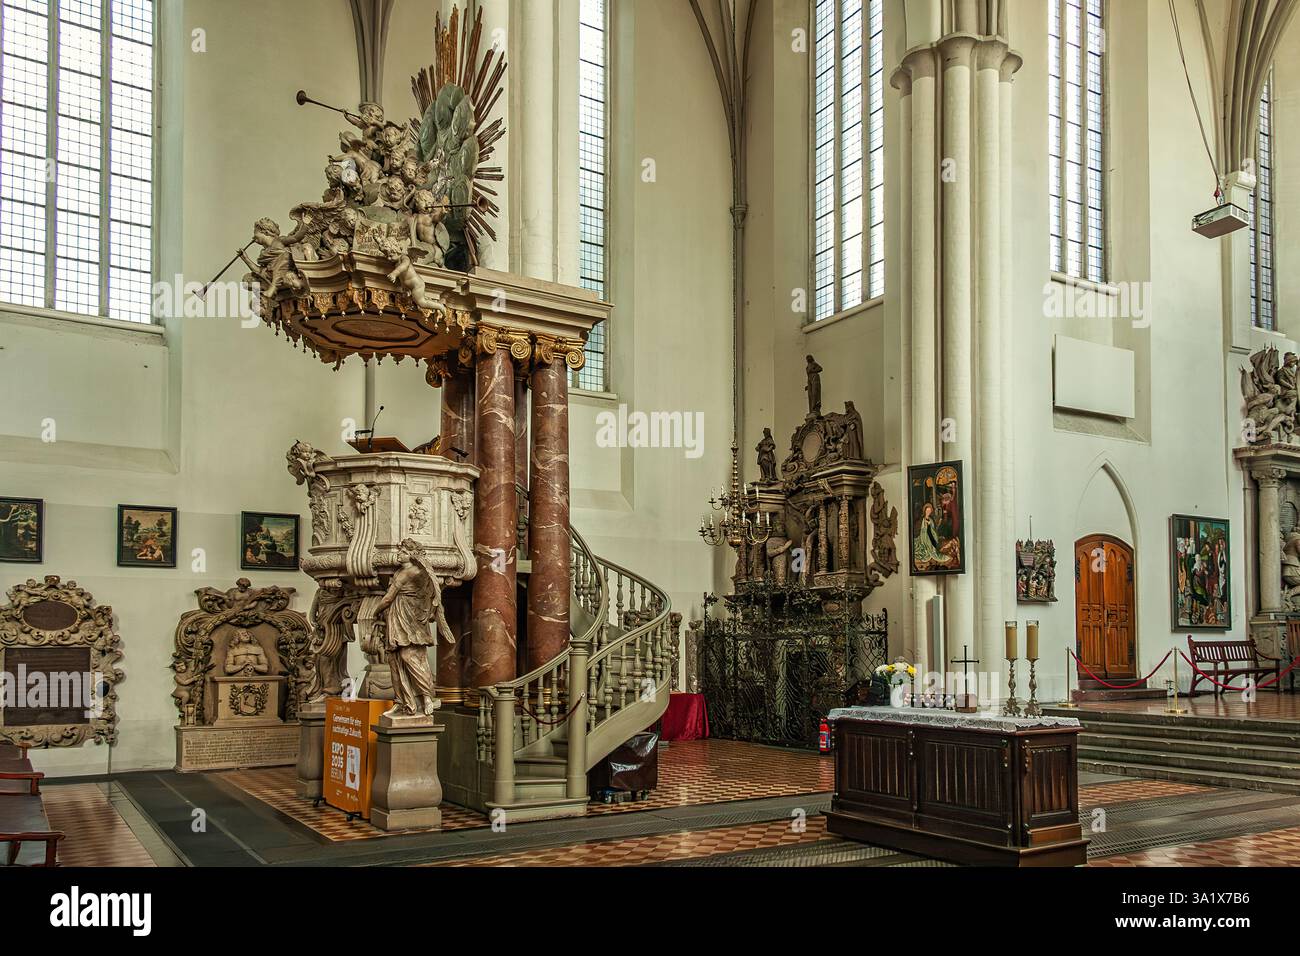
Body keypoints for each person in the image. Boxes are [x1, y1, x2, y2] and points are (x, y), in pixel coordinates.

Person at [375, 539, 455, 719]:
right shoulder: (402, 571)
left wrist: (374, 612)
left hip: (408, 619)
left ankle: (427, 696)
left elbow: (388, 599)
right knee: (395, 661)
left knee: (409, 656)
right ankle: (403, 702)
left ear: (412, 554)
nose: (399, 553)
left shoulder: (408, 573)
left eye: (403, 551)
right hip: (398, 617)